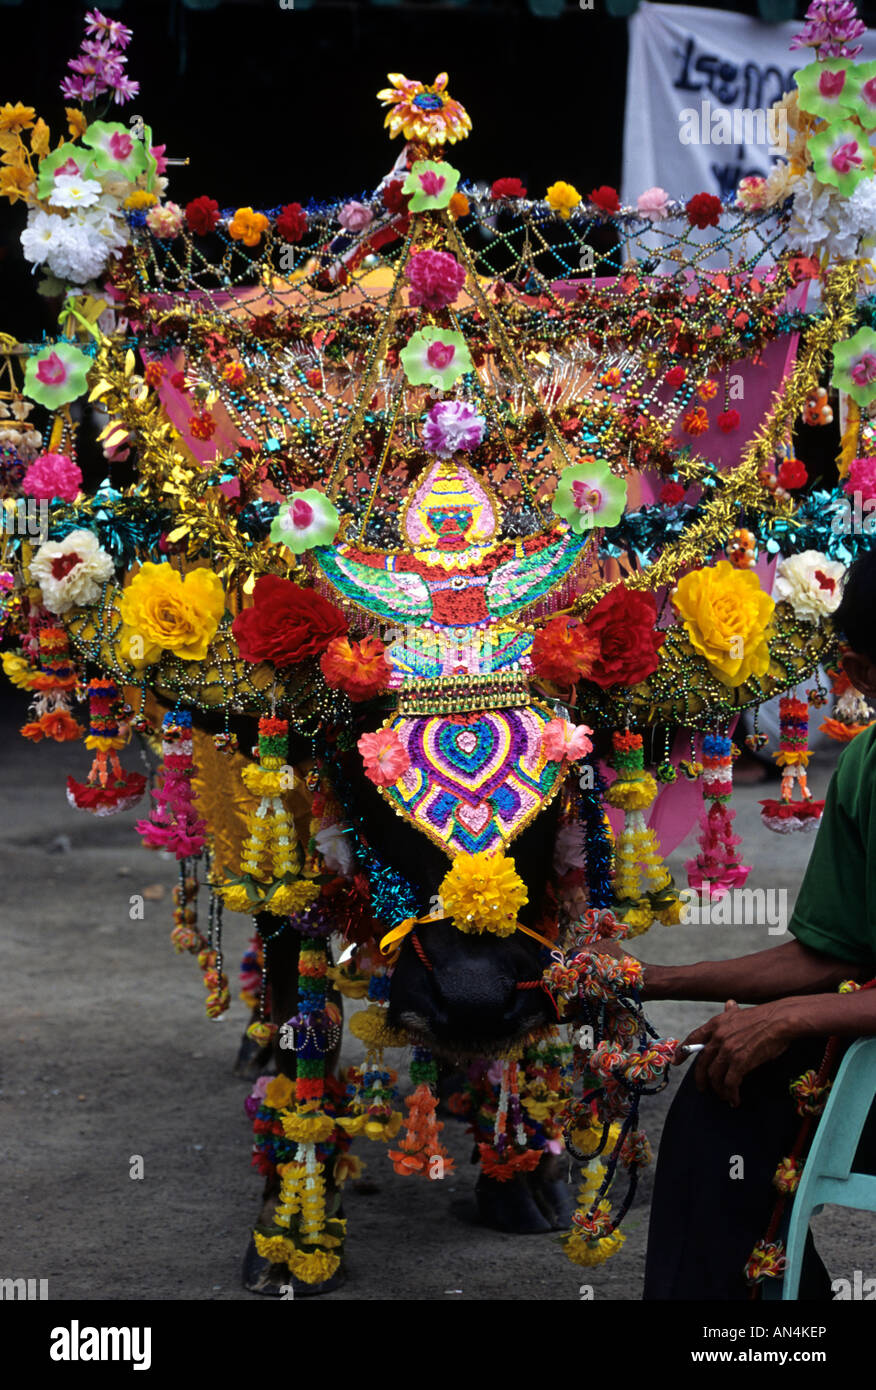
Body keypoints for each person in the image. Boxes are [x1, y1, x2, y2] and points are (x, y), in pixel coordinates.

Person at [634, 549, 876, 1300]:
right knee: (721, 1095)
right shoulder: (866, 764)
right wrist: (656, 982)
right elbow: (829, 951)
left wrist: (789, 1018)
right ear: (860, 672)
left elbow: (817, 989)